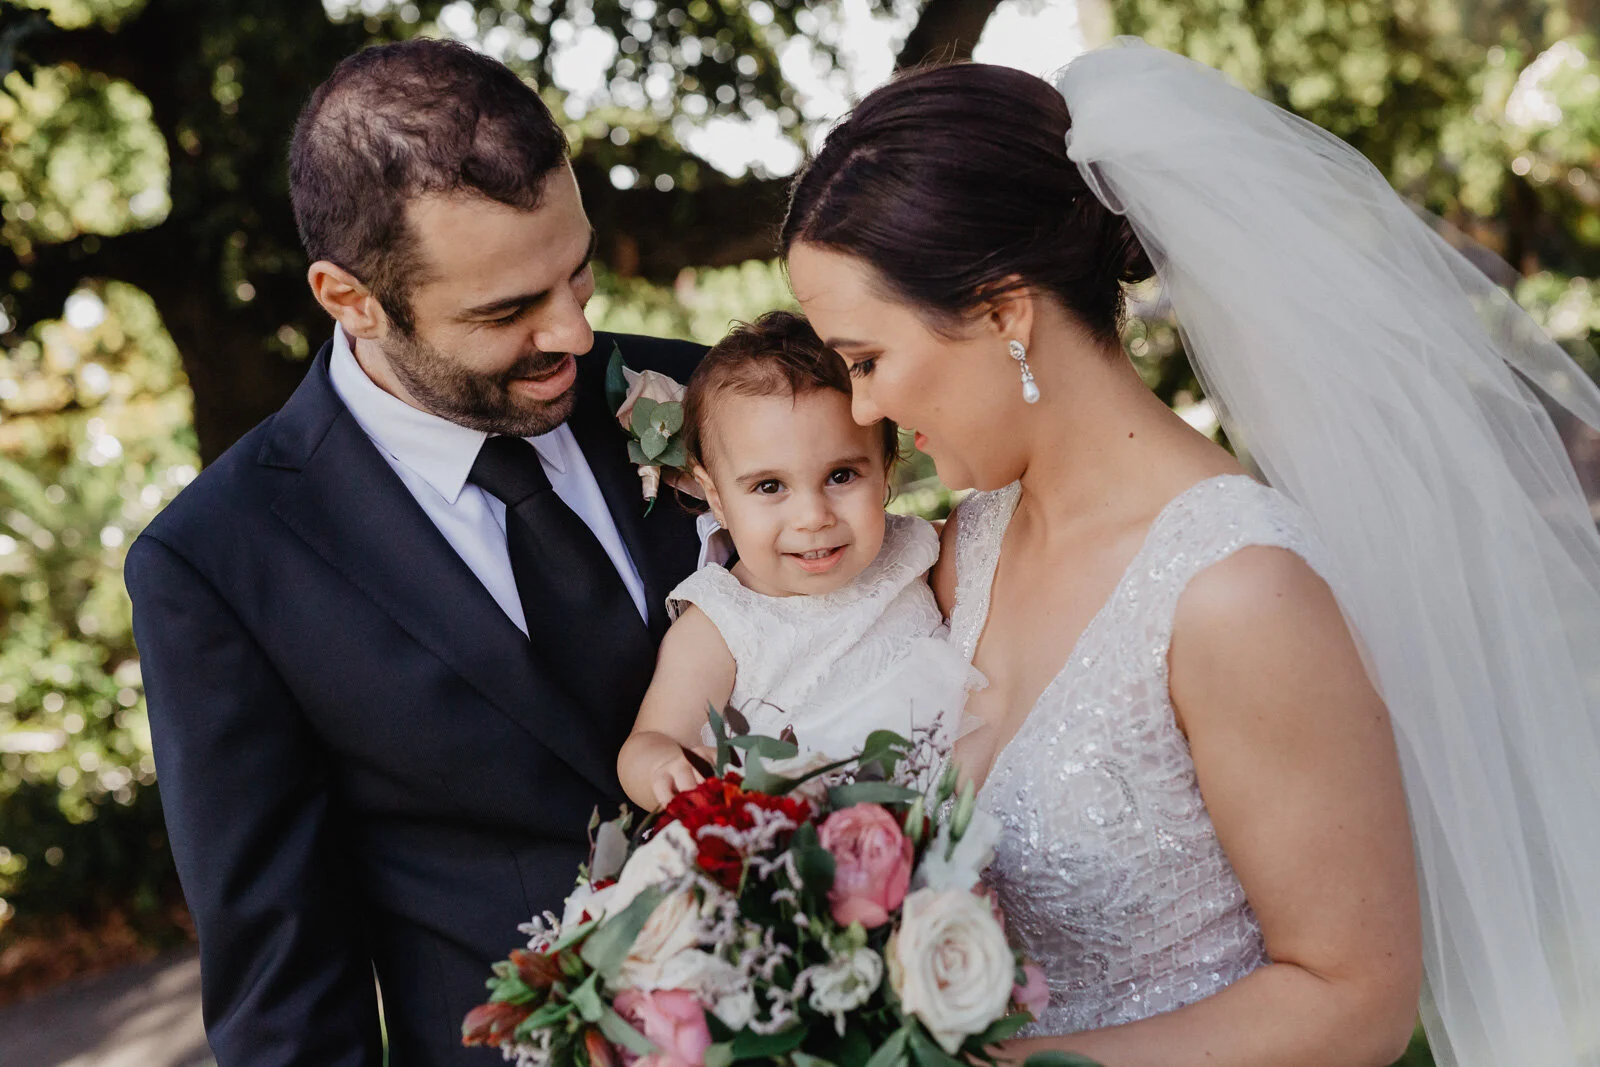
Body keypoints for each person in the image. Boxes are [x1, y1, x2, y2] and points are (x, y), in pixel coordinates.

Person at [783, 40, 1600, 1067]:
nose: (863, 411)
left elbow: (1353, 997)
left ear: (1002, 313)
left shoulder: (1237, 590)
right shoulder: (965, 547)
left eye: (865, 361)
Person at [124, 39, 704, 1066]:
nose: (573, 331)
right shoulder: (220, 563)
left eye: (574, 271)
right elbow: (284, 996)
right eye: (509, 310)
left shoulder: (719, 407)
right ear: (349, 298)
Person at [617, 311, 975, 809]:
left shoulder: (916, 549)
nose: (812, 516)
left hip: (964, 810)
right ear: (716, 496)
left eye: (842, 475)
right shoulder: (723, 623)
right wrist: (664, 768)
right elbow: (649, 740)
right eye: (769, 486)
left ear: (885, 467)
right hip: (821, 846)